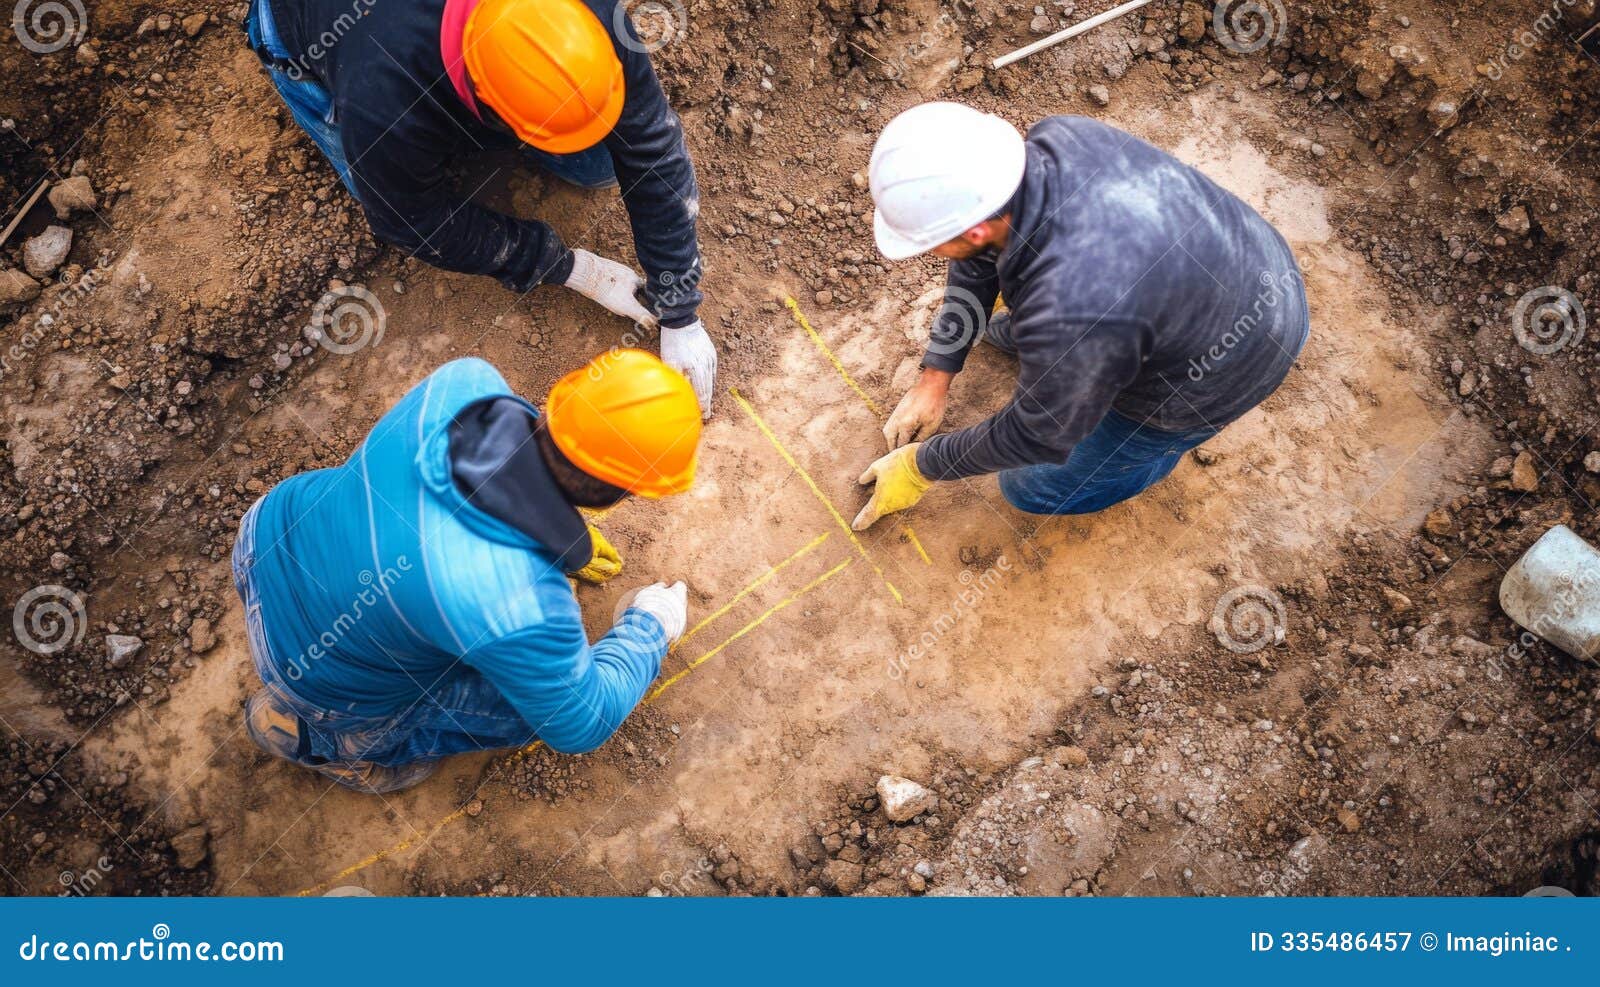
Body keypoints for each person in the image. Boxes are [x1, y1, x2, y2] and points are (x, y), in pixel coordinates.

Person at [234, 352, 701, 792]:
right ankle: (327, 744)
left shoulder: (465, 382)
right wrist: (649, 629)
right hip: (313, 679)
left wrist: (560, 537)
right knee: (533, 709)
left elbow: (496, 485)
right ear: (623, 493)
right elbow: (583, 724)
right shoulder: (522, 603)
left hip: (265, 536)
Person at [244, 0, 717, 416]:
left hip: (448, 64)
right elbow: (413, 225)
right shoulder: (381, 101)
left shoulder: (584, 16)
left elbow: (651, 144)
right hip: (309, 28)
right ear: (489, 104)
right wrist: (570, 268)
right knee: (382, 186)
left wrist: (679, 306)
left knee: (596, 164)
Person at [853, 102, 1311, 530]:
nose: (927, 252)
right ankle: (1106, 355)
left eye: (929, 241)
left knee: (1031, 484)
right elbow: (976, 254)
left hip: (1235, 359)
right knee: (1024, 333)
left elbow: (1037, 434)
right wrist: (936, 376)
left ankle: (1155, 454)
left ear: (973, 227)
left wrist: (920, 466)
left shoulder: (1072, 308)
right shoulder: (1057, 139)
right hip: (1243, 257)